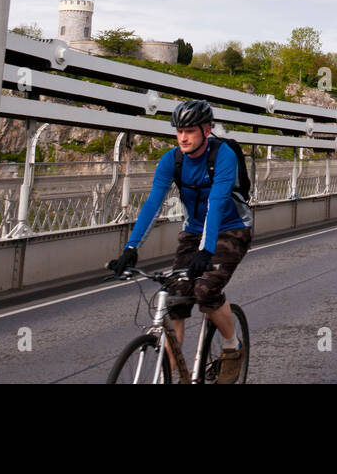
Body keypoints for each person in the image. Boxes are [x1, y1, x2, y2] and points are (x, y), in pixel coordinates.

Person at [108, 99, 253, 383]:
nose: (183, 137)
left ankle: (231, 345)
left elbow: (217, 202)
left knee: (205, 290)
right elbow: (152, 205)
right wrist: (130, 248)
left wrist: (207, 249)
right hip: (193, 231)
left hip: (231, 229)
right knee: (175, 298)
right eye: (179, 131)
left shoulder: (223, 156)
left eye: (190, 130)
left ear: (206, 130)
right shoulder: (171, 160)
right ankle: (170, 376)